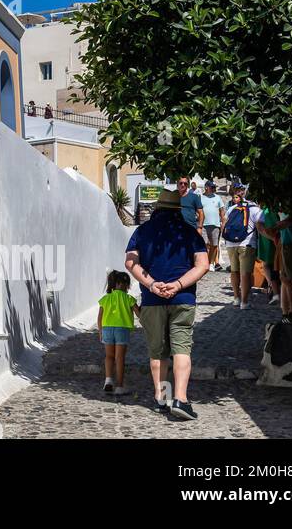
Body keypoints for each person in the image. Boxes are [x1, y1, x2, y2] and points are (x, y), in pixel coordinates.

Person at [125, 185, 209, 421]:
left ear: (158, 207)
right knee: (181, 348)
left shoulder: (143, 231)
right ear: (178, 209)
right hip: (183, 298)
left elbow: (130, 263)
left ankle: (162, 398)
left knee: (157, 351)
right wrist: (178, 285)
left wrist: (152, 284)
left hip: (152, 299)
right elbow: (203, 264)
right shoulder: (190, 232)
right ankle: (180, 399)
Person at [98, 270, 139, 396]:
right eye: (127, 284)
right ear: (120, 284)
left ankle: (108, 380)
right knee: (119, 358)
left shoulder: (105, 299)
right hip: (122, 329)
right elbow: (139, 313)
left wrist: (100, 332)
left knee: (109, 356)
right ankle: (120, 386)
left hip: (107, 329)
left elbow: (99, 317)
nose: (128, 287)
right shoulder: (129, 299)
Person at [220, 182, 259, 308]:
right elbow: (261, 227)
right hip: (246, 244)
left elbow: (223, 225)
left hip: (231, 244)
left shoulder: (231, 209)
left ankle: (236, 298)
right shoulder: (253, 207)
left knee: (234, 271)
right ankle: (244, 301)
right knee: (245, 273)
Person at [199, 179, 225, 270]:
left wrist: (223, 222)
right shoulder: (200, 198)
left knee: (214, 245)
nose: (214, 189)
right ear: (206, 188)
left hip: (216, 224)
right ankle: (204, 263)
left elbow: (222, 210)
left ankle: (211, 263)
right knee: (204, 244)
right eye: (212, 187)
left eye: (214, 187)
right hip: (204, 225)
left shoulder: (217, 197)